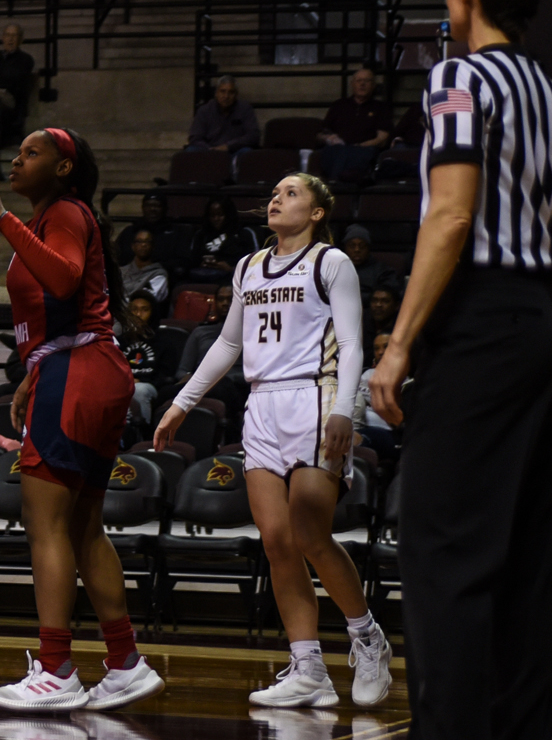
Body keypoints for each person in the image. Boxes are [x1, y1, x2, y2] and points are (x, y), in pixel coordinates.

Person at [370, 0, 552, 740]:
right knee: (527, 561)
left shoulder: (456, 79)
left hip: (480, 320)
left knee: (443, 554)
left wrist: (401, 344)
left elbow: (450, 214)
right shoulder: (543, 87)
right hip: (540, 320)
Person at [156, 172, 392, 709]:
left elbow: (352, 342)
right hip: (261, 404)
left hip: (314, 395)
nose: (275, 199)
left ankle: (366, 636)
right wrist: (181, 403)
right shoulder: (248, 266)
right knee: (277, 542)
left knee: (311, 533)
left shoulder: (330, 262)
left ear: (316, 212)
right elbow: (227, 344)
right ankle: (308, 668)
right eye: (274, 193)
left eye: (290, 193)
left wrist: (344, 409)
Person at [0, 128, 164, 712]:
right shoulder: (57, 217)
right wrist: (34, 373)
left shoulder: (65, 212)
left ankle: (55, 670)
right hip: (85, 367)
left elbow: (65, 279)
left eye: (32, 153)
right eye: (17, 151)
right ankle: (125, 663)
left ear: (64, 166)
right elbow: (70, 309)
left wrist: (1, 217)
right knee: (82, 527)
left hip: (78, 373)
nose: (17, 159)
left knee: (44, 522)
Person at [171, 284, 247, 430]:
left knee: (222, 385)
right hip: (202, 382)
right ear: (215, 303)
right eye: (221, 299)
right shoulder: (200, 332)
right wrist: (191, 377)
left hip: (233, 386)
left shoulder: (250, 332)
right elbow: (182, 370)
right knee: (165, 393)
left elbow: (253, 371)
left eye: (230, 299)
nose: (225, 303)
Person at [316, 66, 395, 184]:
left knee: (354, 155)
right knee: (332, 152)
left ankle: (335, 184)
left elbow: (382, 139)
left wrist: (359, 146)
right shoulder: (339, 105)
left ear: (373, 85)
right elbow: (320, 134)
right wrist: (329, 138)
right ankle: (338, 182)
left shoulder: (381, 108)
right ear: (352, 84)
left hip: (365, 149)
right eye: (359, 81)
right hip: (338, 148)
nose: (362, 84)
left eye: (367, 81)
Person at [116, 290, 167, 423]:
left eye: (144, 310)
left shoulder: (163, 342)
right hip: (122, 383)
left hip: (148, 385)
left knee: (139, 390)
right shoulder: (120, 341)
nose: (138, 314)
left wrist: (141, 380)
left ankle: (142, 430)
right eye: (134, 310)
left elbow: (165, 376)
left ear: (152, 313)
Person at [187, 197, 259, 283]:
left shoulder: (244, 233)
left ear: (229, 215)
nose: (216, 219)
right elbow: (191, 259)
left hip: (232, 279)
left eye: (220, 215)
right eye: (212, 215)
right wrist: (201, 263)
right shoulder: (201, 235)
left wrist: (230, 269)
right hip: (202, 277)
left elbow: (254, 263)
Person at [185, 75, 260, 153]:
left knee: (246, 152)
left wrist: (228, 146)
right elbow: (195, 138)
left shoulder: (245, 109)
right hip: (209, 150)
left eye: (231, 92)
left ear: (236, 95)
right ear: (216, 93)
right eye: (222, 91)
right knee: (191, 150)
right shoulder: (204, 110)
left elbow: (253, 136)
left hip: (235, 150)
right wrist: (210, 149)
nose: (226, 96)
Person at [118, 229, 169, 309]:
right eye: (139, 241)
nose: (143, 245)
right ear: (133, 246)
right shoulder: (121, 271)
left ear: (153, 246)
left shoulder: (159, 274)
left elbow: (147, 300)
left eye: (147, 242)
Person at [338, 225, 394, 292]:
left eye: (362, 246)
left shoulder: (382, 271)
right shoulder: (336, 269)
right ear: (345, 248)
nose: (357, 250)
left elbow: (389, 291)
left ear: (368, 248)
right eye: (352, 246)